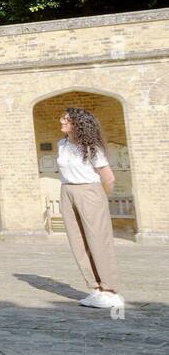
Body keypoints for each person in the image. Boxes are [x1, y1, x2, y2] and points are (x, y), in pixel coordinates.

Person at [56, 107, 123, 309]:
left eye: (66, 119)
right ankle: (95, 288)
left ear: (78, 123)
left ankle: (110, 290)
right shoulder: (62, 144)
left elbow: (109, 177)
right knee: (78, 241)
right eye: (63, 118)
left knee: (98, 240)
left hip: (90, 192)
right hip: (67, 190)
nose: (62, 121)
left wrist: (100, 198)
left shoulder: (91, 146)